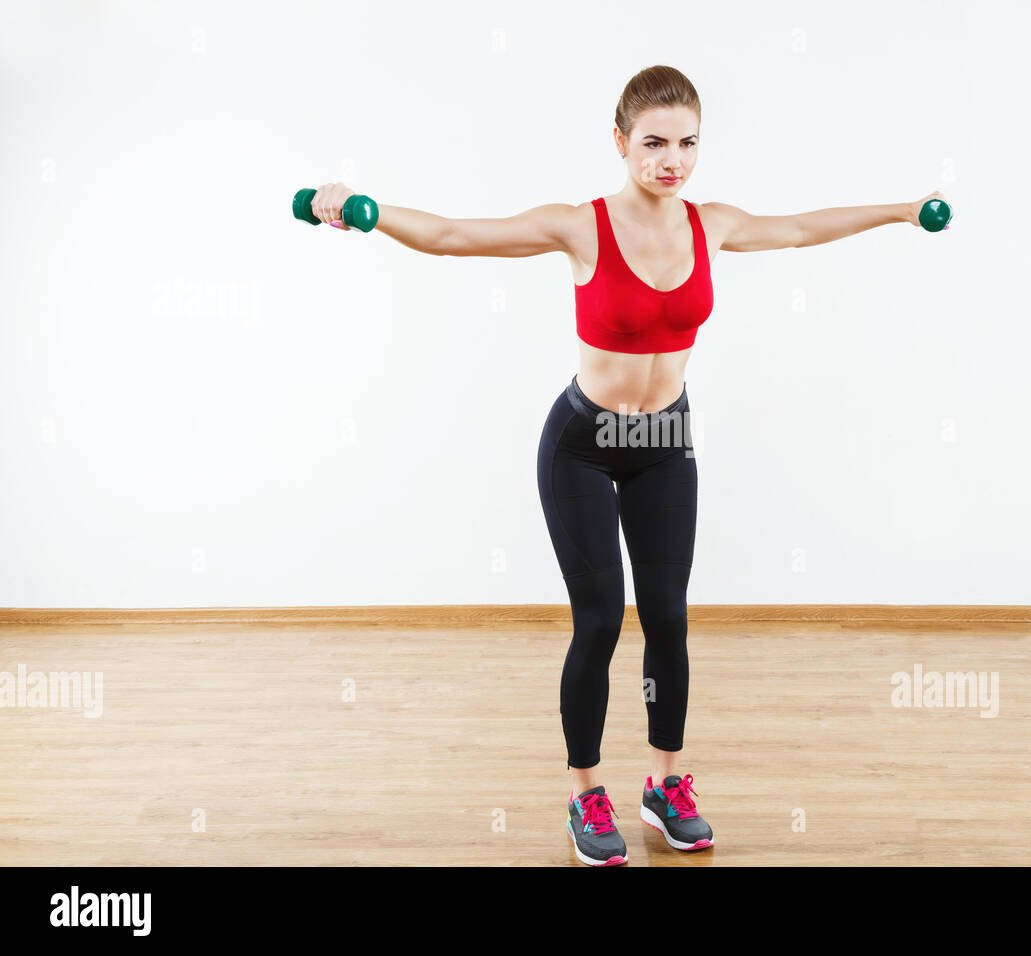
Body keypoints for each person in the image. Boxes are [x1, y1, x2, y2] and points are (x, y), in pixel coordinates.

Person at [308, 64, 944, 866]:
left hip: (663, 443)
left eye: (685, 143)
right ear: (619, 142)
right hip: (581, 444)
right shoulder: (582, 226)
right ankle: (585, 795)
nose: (669, 160)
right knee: (602, 621)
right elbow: (456, 236)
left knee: (670, 617)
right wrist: (358, 213)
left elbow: (798, 227)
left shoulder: (710, 225)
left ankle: (665, 786)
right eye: (652, 143)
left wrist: (900, 212)